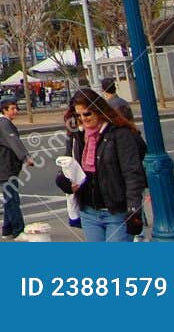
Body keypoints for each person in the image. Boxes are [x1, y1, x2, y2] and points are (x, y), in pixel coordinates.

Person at [57, 87, 147, 242]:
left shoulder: (119, 133)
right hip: (89, 211)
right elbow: (68, 164)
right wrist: (62, 180)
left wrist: (133, 211)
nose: (83, 119)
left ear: (98, 110)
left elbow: (132, 173)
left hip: (116, 211)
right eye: (78, 116)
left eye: (87, 113)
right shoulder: (76, 135)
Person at [0, 99, 32, 239]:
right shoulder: (4, 124)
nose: (16, 111)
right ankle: (18, 231)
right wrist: (26, 157)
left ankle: (7, 230)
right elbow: (14, 141)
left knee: (10, 199)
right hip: (5, 168)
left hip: (5, 167)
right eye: (12, 108)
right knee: (13, 200)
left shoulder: (2, 123)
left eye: (16, 108)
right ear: (4, 110)